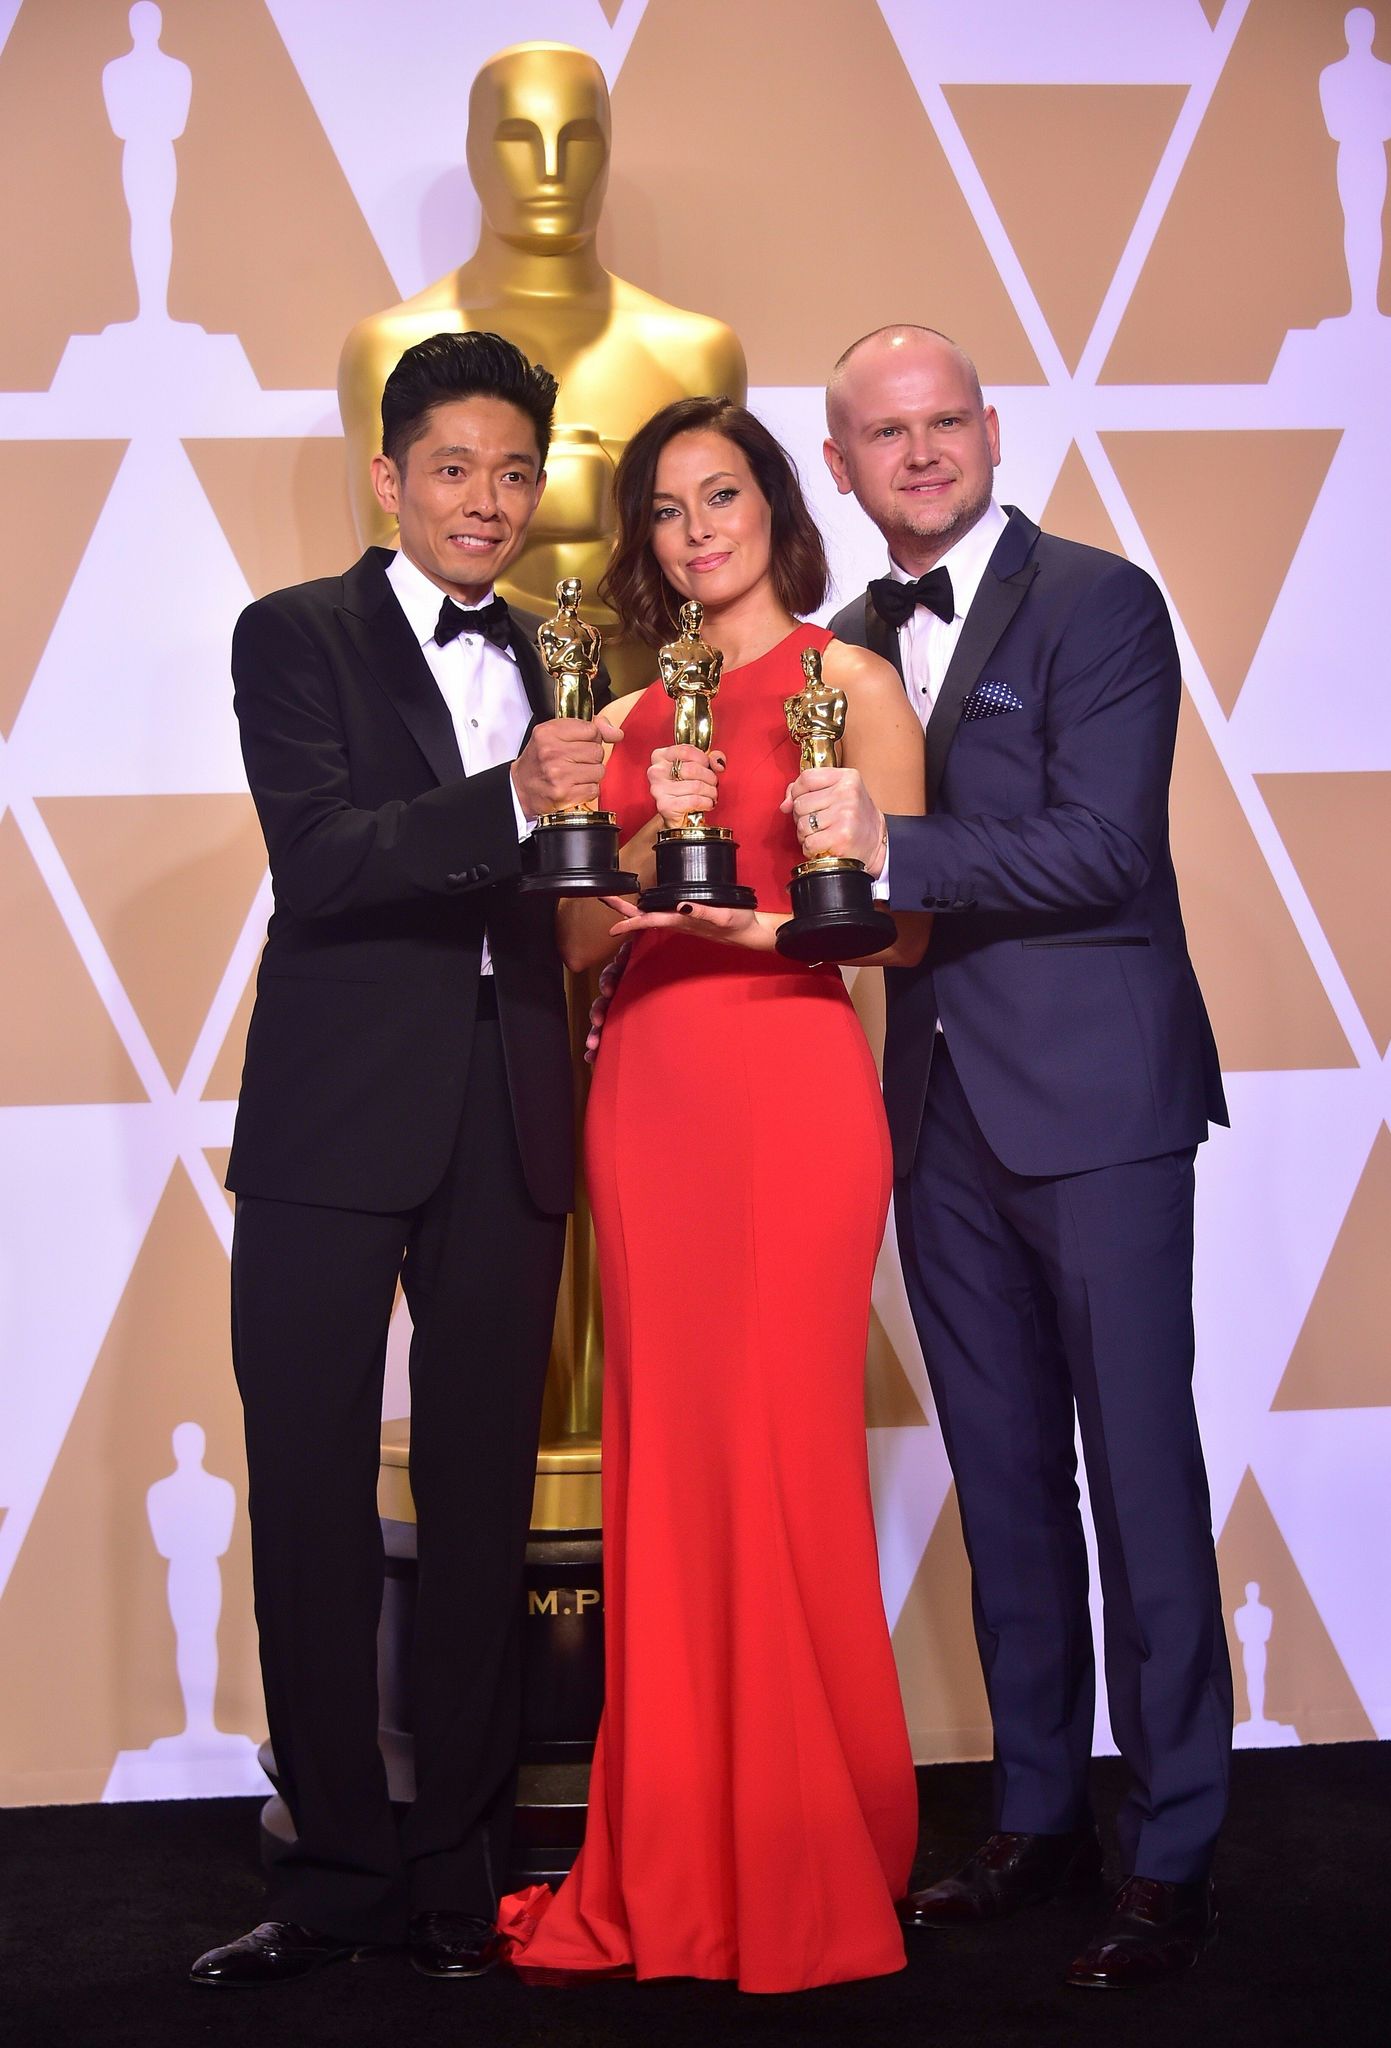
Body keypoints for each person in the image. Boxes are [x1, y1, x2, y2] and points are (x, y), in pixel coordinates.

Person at [787, 324, 1232, 1990]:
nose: (920, 452)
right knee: (1007, 1487)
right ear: (838, 465)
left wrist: (891, 842)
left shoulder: (1101, 601)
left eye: (945, 421)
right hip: (936, 1114)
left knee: (1139, 1473)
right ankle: (1040, 1817)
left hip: (1101, 1105)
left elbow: (1107, 849)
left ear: (990, 430)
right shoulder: (839, 646)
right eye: (883, 434)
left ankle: (1176, 1844)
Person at [191, 331, 621, 1988]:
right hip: (326, 1119)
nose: (487, 502)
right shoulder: (291, 635)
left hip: (505, 1117)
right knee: (304, 1492)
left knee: (483, 1504)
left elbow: (561, 900)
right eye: (454, 468)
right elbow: (323, 864)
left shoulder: (554, 653)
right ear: (388, 477)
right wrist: (509, 794)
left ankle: (455, 1870)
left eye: (516, 472)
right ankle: (336, 1879)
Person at [501, 396, 930, 1993]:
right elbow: (575, 945)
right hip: (656, 1095)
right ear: (647, 546)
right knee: (673, 1473)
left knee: (791, 1457)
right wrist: (623, 839)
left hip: (798, 1092)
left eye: (723, 493)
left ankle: (815, 1842)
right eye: (669, 510)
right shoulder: (620, 722)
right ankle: (680, 1848)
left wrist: (777, 923)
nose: (700, 529)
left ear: (774, 508)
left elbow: (906, 928)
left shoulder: (853, 685)